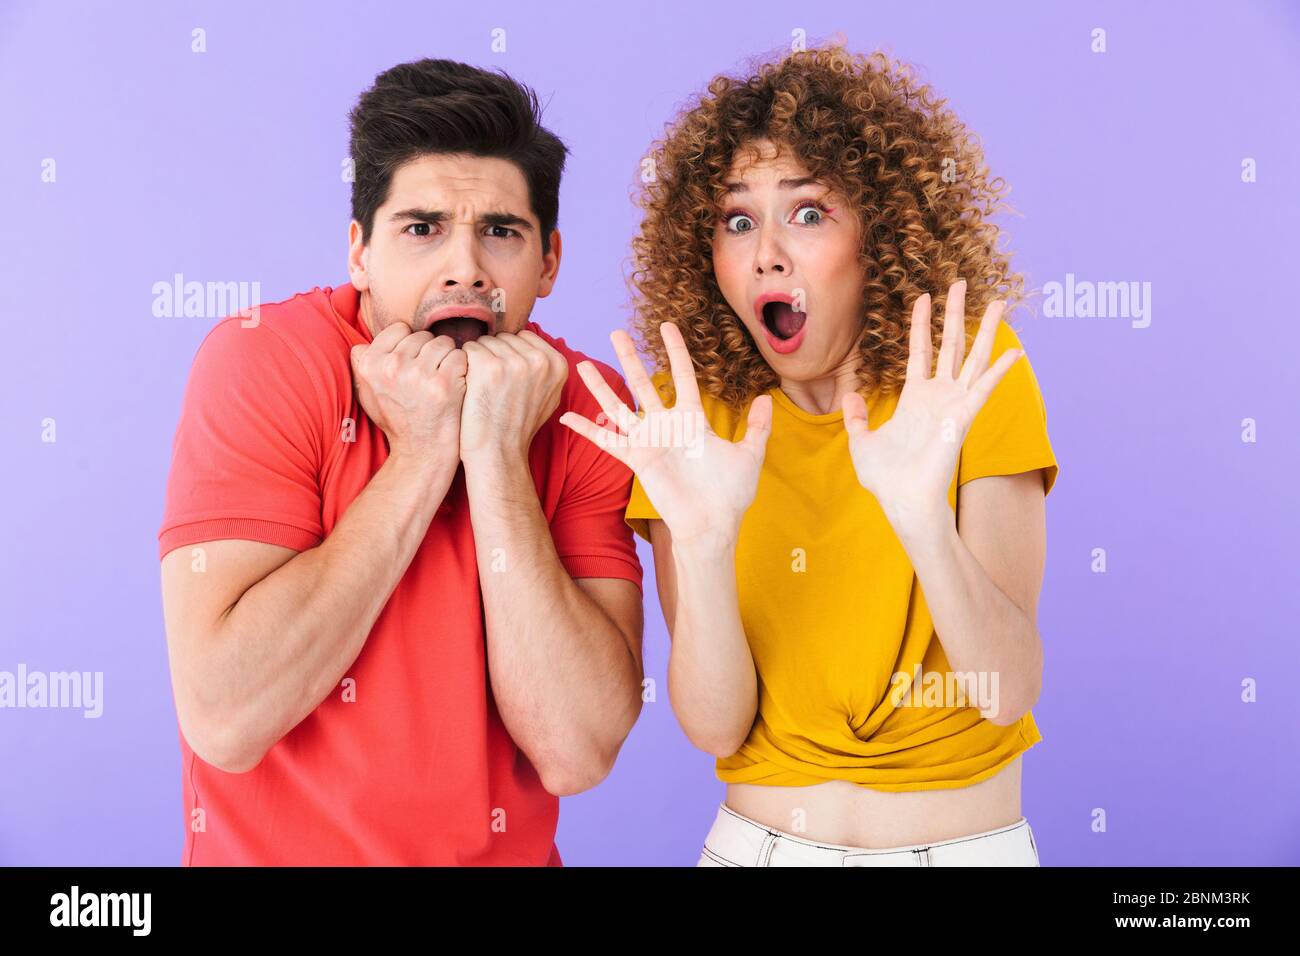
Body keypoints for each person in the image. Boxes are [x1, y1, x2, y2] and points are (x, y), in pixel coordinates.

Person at [560, 42, 1058, 866]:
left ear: (881, 233)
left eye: (809, 212)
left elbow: (1005, 694)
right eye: (738, 219)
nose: (767, 253)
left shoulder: (961, 378)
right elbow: (715, 724)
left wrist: (919, 520)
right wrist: (708, 546)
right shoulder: (700, 414)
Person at [157, 58, 645, 865]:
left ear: (549, 261)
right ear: (360, 253)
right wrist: (421, 456)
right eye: (422, 229)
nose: (465, 268)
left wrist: (492, 453)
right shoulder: (264, 362)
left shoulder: (589, 406)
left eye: (501, 231)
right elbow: (226, 720)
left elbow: (576, 750)